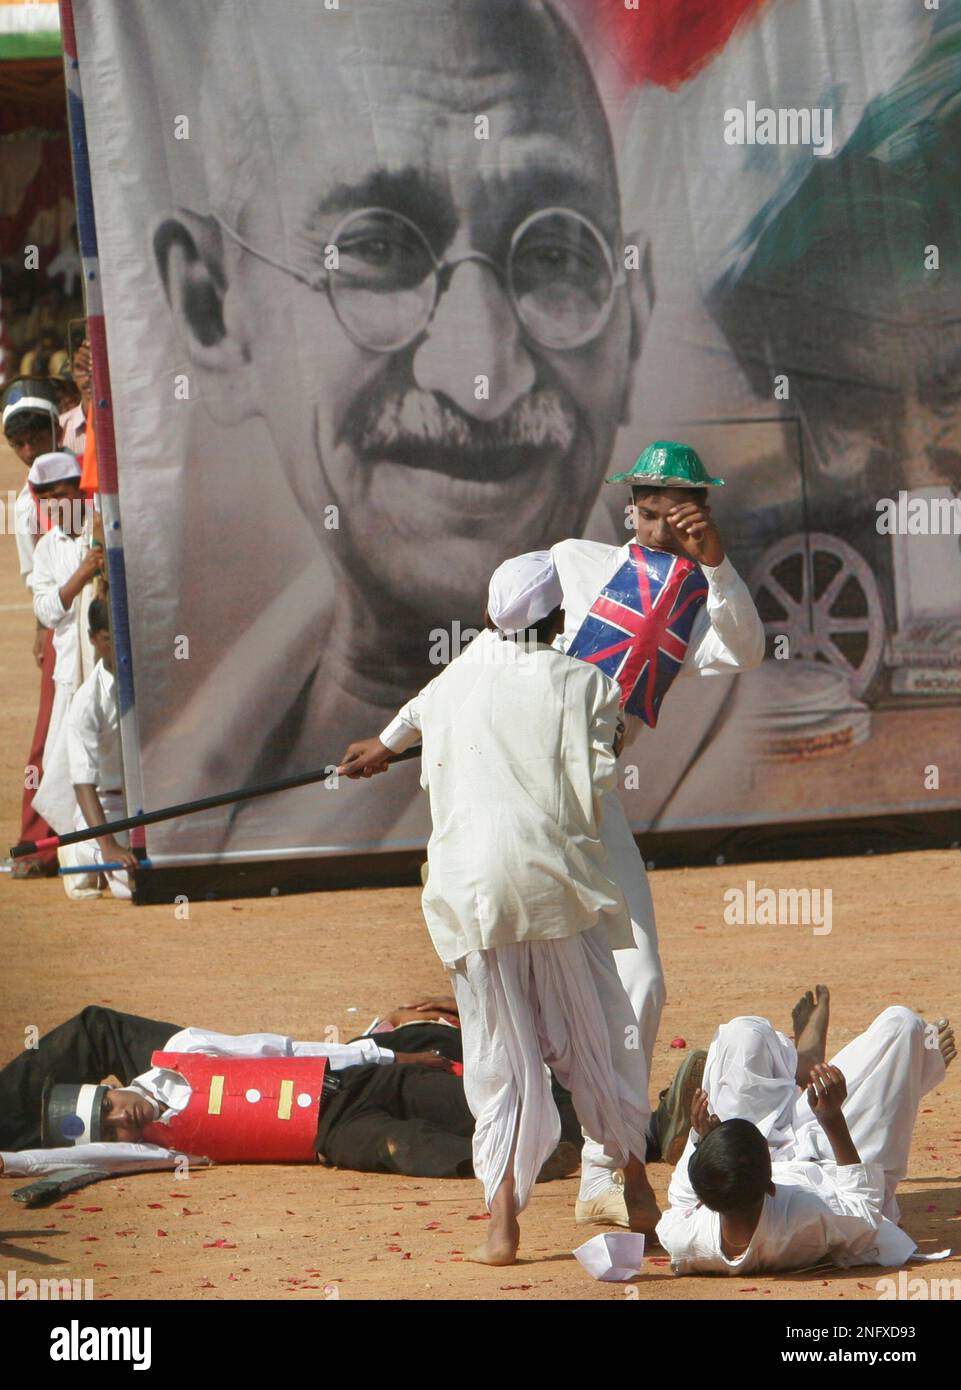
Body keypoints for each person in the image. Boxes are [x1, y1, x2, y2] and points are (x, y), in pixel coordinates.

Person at [147, 0, 653, 857]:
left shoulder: (725, 736)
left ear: (629, 323)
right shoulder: (193, 781)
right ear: (212, 311)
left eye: (554, 254)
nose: (481, 378)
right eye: (378, 250)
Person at [342, 441, 765, 1224]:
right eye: (646, 499)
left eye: (679, 502)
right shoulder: (573, 560)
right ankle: (524, 1167)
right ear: (627, 503)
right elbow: (483, 651)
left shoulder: (701, 596)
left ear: (702, 508)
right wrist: (394, 738)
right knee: (519, 1009)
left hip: (591, 800)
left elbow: (745, 650)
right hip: (525, 795)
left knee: (642, 982)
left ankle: (606, 1169)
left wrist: (718, 564)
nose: (659, 513)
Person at [382, 550, 658, 1265]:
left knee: (499, 1060)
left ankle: (502, 1226)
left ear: (485, 621)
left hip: (469, 896)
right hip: (551, 889)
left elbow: (414, 713)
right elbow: (602, 757)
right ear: (561, 620)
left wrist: (378, 749)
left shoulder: (453, 683)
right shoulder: (588, 684)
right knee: (593, 1044)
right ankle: (638, 1191)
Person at [0, 1005, 581, 1187]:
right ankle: (519, 1161)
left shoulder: (184, 1049)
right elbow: (81, 1159)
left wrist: (383, 1053)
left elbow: (278, 1047)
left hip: (350, 1081)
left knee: (455, 1096)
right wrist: (12, 1161)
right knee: (401, 1145)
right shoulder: (158, 1148)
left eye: (109, 1110)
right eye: (113, 1131)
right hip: (328, 1135)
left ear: (109, 1090)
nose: (123, 1123)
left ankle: (585, 1128)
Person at [656, 986, 958, 1274]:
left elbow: (682, 1195)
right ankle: (904, 1075)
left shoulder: (685, 1237)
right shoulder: (808, 1216)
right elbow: (865, 1208)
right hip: (830, 1164)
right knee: (902, 1026)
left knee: (743, 1033)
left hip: (743, 1168)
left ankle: (806, 1064)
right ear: (774, 1188)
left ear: (704, 1200)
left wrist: (704, 1140)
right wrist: (832, 1119)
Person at [1, 378, 64, 875]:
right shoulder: (25, 507)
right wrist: (43, 629)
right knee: (49, 735)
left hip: (108, 622)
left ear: (55, 429)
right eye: (17, 443)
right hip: (64, 627)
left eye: (34, 438)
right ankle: (36, 844)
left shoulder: (88, 471)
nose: (27, 450)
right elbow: (33, 579)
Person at [28, 451, 103, 836]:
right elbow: (46, 610)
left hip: (106, 667)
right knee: (68, 759)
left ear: (81, 491)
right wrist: (81, 576)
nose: (55, 505)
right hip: (70, 674)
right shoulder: (47, 549)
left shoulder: (103, 529)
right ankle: (80, 844)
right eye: (46, 499)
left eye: (61, 494)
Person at [63, 597, 135, 899]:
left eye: (122, 636)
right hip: (107, 808)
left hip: (149, 805)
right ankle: (83, 852)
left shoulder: (152, 680)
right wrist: (108, 847)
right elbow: (83, 783)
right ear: (93, 639)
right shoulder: (85, 702)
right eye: (108, 639)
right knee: (133, 887)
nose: (117, 646)